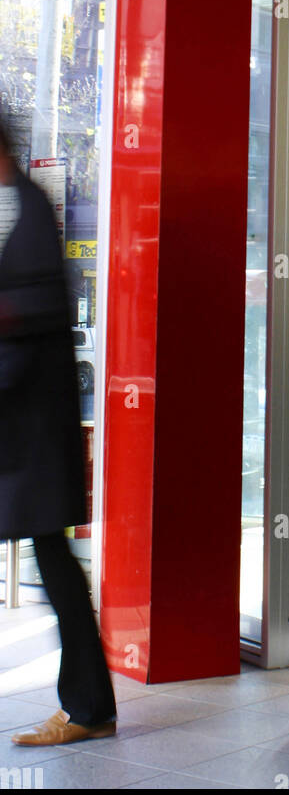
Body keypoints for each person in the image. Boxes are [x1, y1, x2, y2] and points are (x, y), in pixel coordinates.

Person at [0, 115, 117, 746]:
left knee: (57, 567)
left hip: (34, 434)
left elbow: (31, 320)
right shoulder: (23, 208)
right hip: (30, 433)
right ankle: (90, 705)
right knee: (56, 566)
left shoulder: (31, 214)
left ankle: (90, 707)